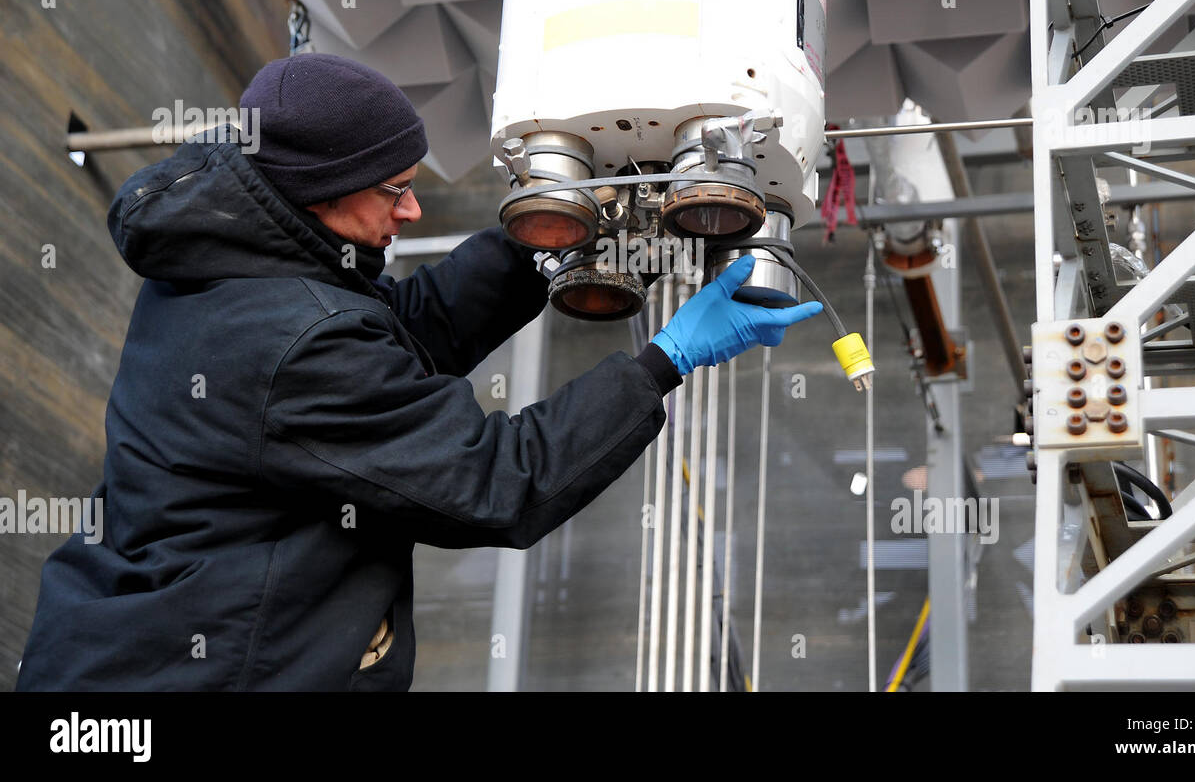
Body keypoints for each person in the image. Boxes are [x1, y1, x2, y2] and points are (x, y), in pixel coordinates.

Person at [15, 53, 821, 691]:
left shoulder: (241, 246)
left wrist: (544, 233)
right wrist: (663, 359)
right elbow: (500, 480)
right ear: (318, 195)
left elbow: (395, 333)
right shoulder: (291, 343)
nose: (412, 211)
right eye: (393, 191)